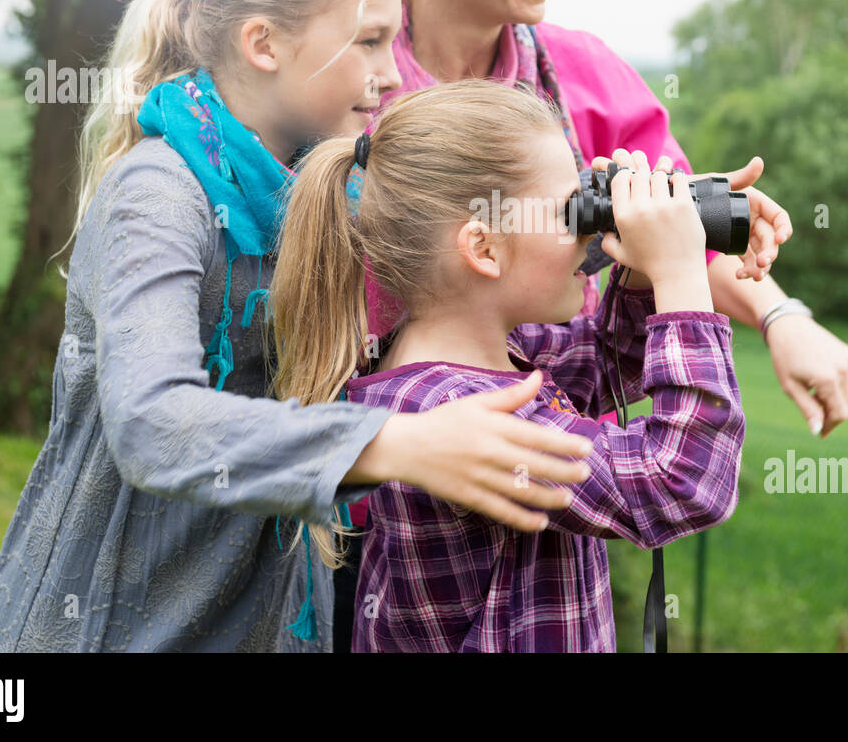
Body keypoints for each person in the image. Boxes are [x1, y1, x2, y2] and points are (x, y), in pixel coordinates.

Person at [0, 0, 593, 653]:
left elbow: (497, 270)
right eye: (368, 42)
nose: (392, 74)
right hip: (104, 625)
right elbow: (153, 421)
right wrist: (402, 443)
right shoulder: (159, 194)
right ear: (265, 44)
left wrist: (629, 236)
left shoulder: (327, 194)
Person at [357, 0, 848, 440]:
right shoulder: (346, 81)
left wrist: (780, 313)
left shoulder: (585, 74)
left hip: (565, 459)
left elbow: (666, 231)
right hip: (378, 478)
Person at [270, 80, 745, 651]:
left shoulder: (470, 363)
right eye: (573, 211)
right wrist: (681, 276)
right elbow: (679, 483)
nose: (590, 234)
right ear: (485, 248)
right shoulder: (458, 412)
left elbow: (603, 362)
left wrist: (653, 250)